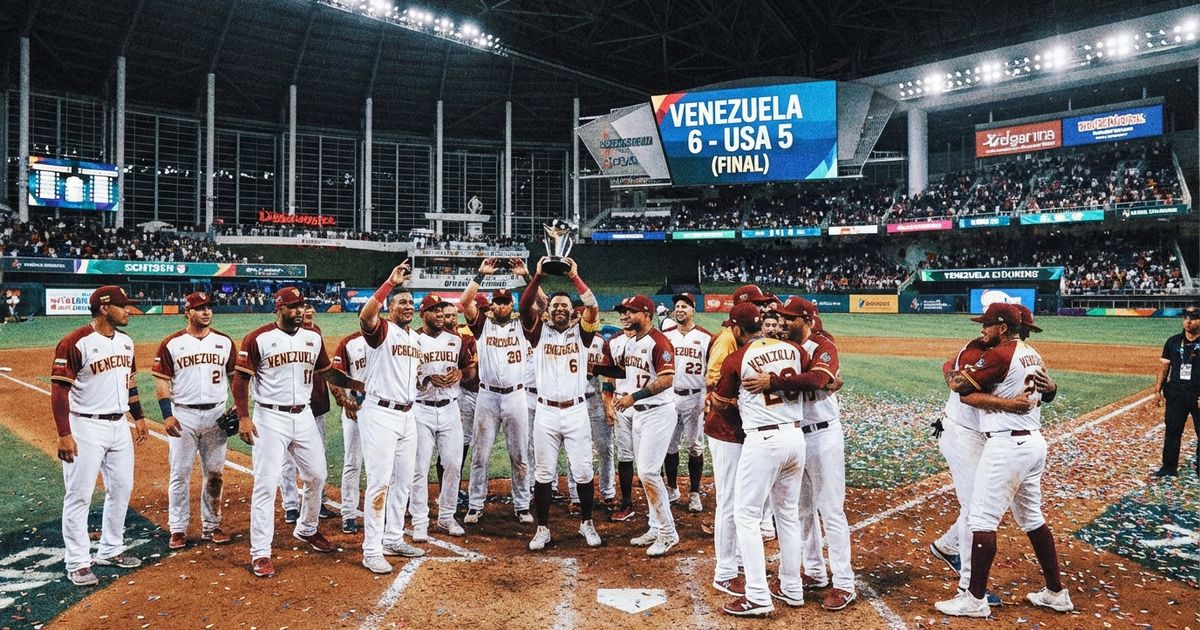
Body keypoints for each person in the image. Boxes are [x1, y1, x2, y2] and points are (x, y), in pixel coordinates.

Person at [936, 303, 1072, 618]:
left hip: (1007, 443)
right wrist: (1048, 389)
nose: (982, 329)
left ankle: (973, 599)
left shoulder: (999, 354)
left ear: (1002, 327)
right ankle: (1056, 592)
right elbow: (1046, 390)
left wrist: (1006, 403)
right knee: (1032, 518)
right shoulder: (1032, 354)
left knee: (980, 519)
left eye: (987, 324)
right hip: (1033, 443)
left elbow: (962, 390)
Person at [234, 287, 354, 578]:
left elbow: (327, 372)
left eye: (302, 305)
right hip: (269, 417)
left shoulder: (313, 338)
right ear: (279, 309)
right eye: (293, 306)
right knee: (265, 484)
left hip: (303, 416)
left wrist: (361, 387)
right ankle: (260, 552)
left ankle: (307, 528)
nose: (300, 311)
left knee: (317, 475)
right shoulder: (258, 338)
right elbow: (240, 380)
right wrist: (243, 417)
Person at [710, 302, 807, 617]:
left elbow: (720, 401)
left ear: (737, 330)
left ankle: (757, 595)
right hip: (796, 436)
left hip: (763, 439)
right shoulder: (794, 350)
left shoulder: (737, 357)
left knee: (747, 517)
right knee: (787, 516)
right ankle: (792, 587)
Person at [759, 297, 855, 610]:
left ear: (807, 320)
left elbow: (818, 378)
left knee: (830, 509)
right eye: (781, 317)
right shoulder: (783, 348)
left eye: (789, 318)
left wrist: (774, 381)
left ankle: (844, 582)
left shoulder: (822, 345)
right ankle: (814, 572)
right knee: (801, 510)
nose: (783, 323)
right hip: (795, 436)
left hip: (824, 434)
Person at [52, 285, 149, 587]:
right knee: (79, 495)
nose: (128, 311)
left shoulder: (126, 342)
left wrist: (140, 416)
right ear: (105, 308)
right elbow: (59, 391)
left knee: (121, 489)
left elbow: (129, 383)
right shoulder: (75, 342)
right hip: (85, 426)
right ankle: (78, 562)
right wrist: (64, 433)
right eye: (123, 306)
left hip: (119, 425)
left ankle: (111, 549)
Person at [519, 257, 607, 551]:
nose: (558, 309)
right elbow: (524, 306)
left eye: (564, 306)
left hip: (576, 410)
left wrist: (574, 278)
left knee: (582, 471)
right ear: (547, 311)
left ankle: (586, 522)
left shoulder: (582, 333)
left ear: (572, 312)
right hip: (545, 411)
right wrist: (537, 277)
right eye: (554, 305)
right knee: (543, 473)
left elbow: (592, 307)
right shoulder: (537, 332)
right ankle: (543, 528)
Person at [350, 263, 428, 575]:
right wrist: (389, 282)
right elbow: (366, 317)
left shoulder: (415, 339)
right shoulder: (383, 331)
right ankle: (371, 549)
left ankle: (393, 537)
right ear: (391, 307)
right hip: (380, 413)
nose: (408, 307)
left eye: (411, 303)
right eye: (402, 302)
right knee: (380, 483)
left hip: (408, 415)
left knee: (403, 481)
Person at [152, 291, 237, 550]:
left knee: (215, 474)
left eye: (209, 307)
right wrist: (167, 415)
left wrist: (238, 406)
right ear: (187, 312)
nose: (206, 312)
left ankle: (212, 525)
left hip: (216, 415)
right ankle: (178, 528)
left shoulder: (224, 342)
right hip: (183, 415)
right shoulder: (172, 343)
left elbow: (235, 377)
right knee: (180, 473)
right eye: (200, 308)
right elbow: (162, 383)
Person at [460, 263, 534, 524]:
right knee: (480, 453)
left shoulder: (524, 326)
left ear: (512, 305)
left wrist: (526, 276)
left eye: (506, 302)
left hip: (516, 396)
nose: (501, 306)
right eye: (498, 302)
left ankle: (522, 504)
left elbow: (540, 304)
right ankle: (475, 505)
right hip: (487, 397)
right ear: (491, 305)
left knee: (520, 455)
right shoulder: (483, 326)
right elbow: (464, 301)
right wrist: (480, 275)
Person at [612, 295, 680, 557]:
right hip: (640, 414)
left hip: (659, 413)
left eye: (630, 311)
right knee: (646, 471)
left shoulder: (659, 342)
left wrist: (633, 397)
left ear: (647, 314)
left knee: (650, 472)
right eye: (623, 311)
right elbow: (625, 372)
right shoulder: (632, 343)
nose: (625, 315)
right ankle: (655, 525)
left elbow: (667, 379)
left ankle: (668, 532)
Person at [409, 293, 475, 539]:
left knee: (452, 465)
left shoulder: (455, 340)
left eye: (441, 311)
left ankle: (447, 517)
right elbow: (404, 375)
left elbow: (468, 371)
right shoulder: (412, 340)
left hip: (450, 409)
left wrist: (460, 374)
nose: (439, 315)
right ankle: (419, 522)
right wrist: (425, 378)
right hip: (421, 409)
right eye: (433, 311)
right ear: (422, 314)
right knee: (419, 467)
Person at [279, 305, 336, 523]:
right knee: (288, 460)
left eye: (310, 312)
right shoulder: (289, 336)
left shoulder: (316, 333)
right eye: (304, 313)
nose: (307, 315)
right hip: (290, 407)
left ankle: (318, 502)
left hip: (317, 403)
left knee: (317, 457)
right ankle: (291, 505)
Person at [662, 292, 713, 513]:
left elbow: (712, 369)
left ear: (693, 310)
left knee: (694, 446)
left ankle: (694, 493)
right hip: (670, 395)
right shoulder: (666, 334)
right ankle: (672, 488)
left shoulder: (705, 337)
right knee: (669, 445)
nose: (680, 309)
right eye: (678, 306)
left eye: (685, 306)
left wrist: (708, 397)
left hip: (695, 396)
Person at [1154, 305, 1200, 478]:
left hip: (1198, 394)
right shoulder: (1173, 342)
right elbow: (1163, 367)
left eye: (1194, 317)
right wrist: (1157, 391)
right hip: (1176, 393)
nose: (1189, 321)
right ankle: (1168, 467)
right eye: (1186, 317)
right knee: (1172, 431)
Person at [330, 328, 368, 534]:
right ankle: (349, 514)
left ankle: (385, 511)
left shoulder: (393, 338)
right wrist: (344, 401)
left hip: (386, 413)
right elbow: (334, 376)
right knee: (353, 462)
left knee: (386, 465)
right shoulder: (349, 342)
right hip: (357, 410)